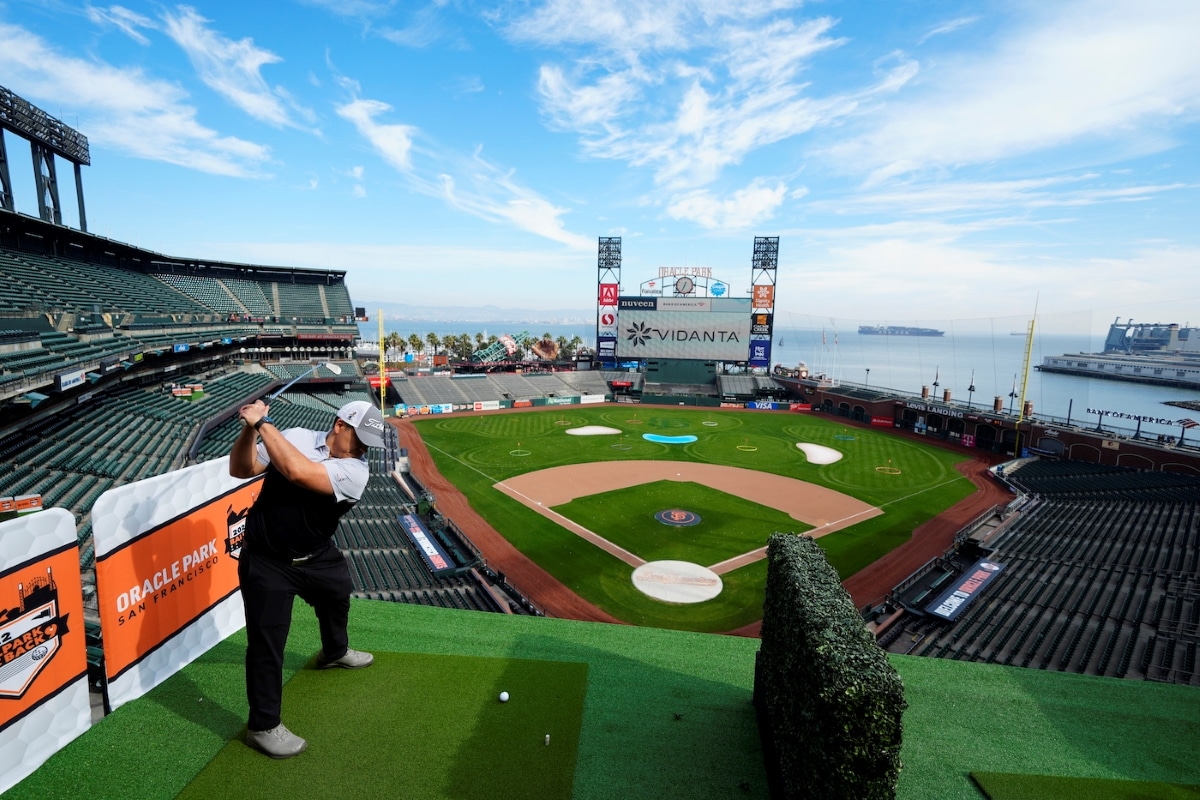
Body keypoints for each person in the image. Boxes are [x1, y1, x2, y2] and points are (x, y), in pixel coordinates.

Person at [229, 398, 387, 759]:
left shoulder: (357, 471)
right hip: (266, 561)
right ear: (339, 425)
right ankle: (263, 726)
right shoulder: (296, 436)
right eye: (359, 437)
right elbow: (242, 469)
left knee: (338, 593)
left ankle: (334, 651)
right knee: (267, 645)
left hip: (316, 555)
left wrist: (263, 423)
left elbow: (299, 473)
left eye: (368, 443)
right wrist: (248, 429)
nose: (363, 448)